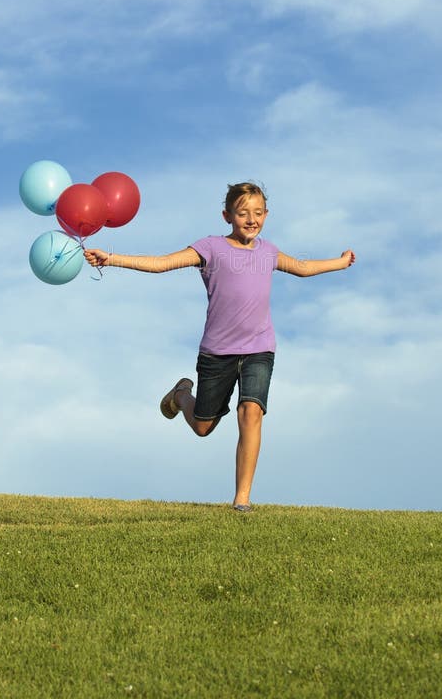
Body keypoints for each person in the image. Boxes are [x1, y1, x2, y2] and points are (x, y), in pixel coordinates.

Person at [84, 181, 355, 512]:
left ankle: (242, 500)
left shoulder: (268, 252)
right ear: (227, 215)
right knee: (202, 427)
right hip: (217, 352)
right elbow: (160, 263)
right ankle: (182, 393)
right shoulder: (210, 248)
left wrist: (340, 263)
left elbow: (302, 267)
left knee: (251, 411)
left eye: (257, 213)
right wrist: (110, 259)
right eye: (243, 213)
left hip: (259, 349)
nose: (251, 219)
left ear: (267, 215)